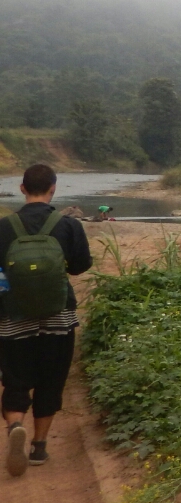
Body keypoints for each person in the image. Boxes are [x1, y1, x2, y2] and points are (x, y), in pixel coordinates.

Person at [1, 164, 91, 476]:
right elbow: (80, 266)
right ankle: (39, 447)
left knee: (15, 377)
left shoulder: (4, 227)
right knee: (51, 379)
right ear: (53, 188)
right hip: (58, 316)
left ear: (22, 189)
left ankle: (15, 425)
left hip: (14, 317)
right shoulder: (68, 225)